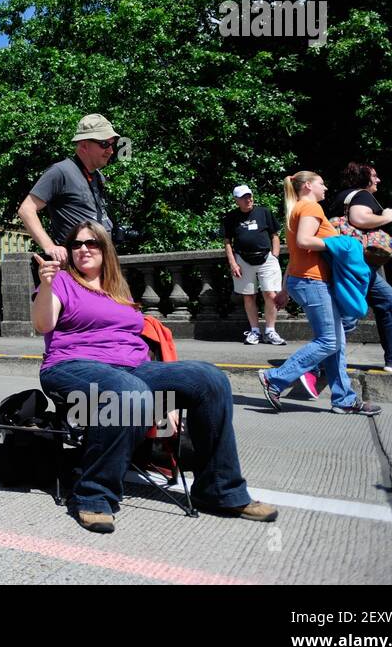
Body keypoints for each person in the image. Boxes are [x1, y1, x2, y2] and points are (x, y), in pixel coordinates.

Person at [32, 220, 278, 533]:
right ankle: (93, 495)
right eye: (77, 244)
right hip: (72, 366)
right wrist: (48, 285)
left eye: (92, 243)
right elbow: (43, 324)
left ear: (105, 249)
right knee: (128, 391)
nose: (83, 249)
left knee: (209, 378)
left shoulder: (116, 291)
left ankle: (219, 490)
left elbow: (140, 346)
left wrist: (170, 401)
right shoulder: (62, 282)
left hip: (133, 367)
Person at [258, 172, 382, 416]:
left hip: (303, 280)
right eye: (321, 183)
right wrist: (343, 243)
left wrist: (285, 288)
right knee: (329, 341)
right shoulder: (311, 208)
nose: (325, 187)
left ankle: (344, 399)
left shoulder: (297, 209)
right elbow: (305, 242)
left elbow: (296, 255)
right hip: (312, 282)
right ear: (308, 186)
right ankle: (275, 378)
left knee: (337, 342)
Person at [323, 163, 392, 373]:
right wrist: (388, 216)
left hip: (343, 260)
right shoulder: (361, 195)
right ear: (364, 179)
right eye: (374, 176)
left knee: (387, 303)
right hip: (357, 262)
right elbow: (359, 218)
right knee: (349, 316)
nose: (378, 180)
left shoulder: (340, 197)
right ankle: (311, 364)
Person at [17, 114, 119, 264]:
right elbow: (26, 210)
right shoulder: (60, 171)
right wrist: (50, 247)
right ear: (84, 145)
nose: (110, 151)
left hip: (100, 262)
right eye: (104, 144)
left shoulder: (98, 176)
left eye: (112, 144)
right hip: (76, 265)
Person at [222, 185, 286, 347]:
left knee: (270, 293)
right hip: (242, 259)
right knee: (248, 295)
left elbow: (275, 235)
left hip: (266, 257)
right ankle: (255, 330)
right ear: (236, 200)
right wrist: (233, 262)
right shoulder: (231, 217)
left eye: (249, 196)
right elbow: (227, 241)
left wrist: (275, 256)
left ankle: (270, 330)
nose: (248, 199)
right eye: (244, 197)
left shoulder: (264, 212)